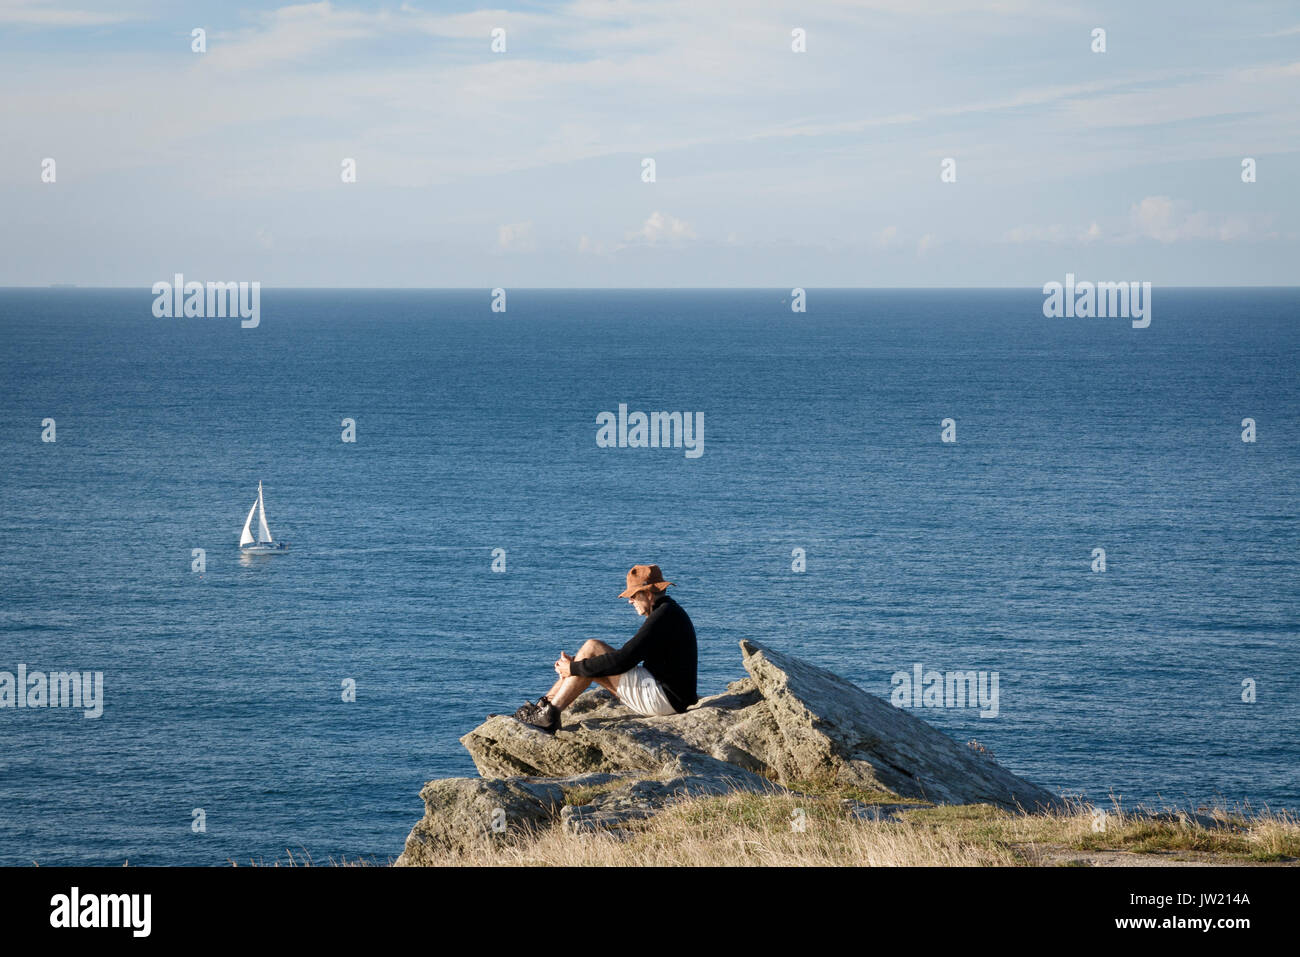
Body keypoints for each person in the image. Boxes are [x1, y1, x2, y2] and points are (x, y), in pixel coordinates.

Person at [509, 565, 699, 734]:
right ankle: (544, 708)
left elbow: (624, 660)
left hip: (664, 699)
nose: (629, 601)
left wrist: (573, 669)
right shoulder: (668, 612)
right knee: (589, 659)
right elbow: (624, 659)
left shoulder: (663, 616)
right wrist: (577, 665)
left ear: (648, 593)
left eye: (633, 595)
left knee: (592, 648)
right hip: (667, 695)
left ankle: (549, 716)